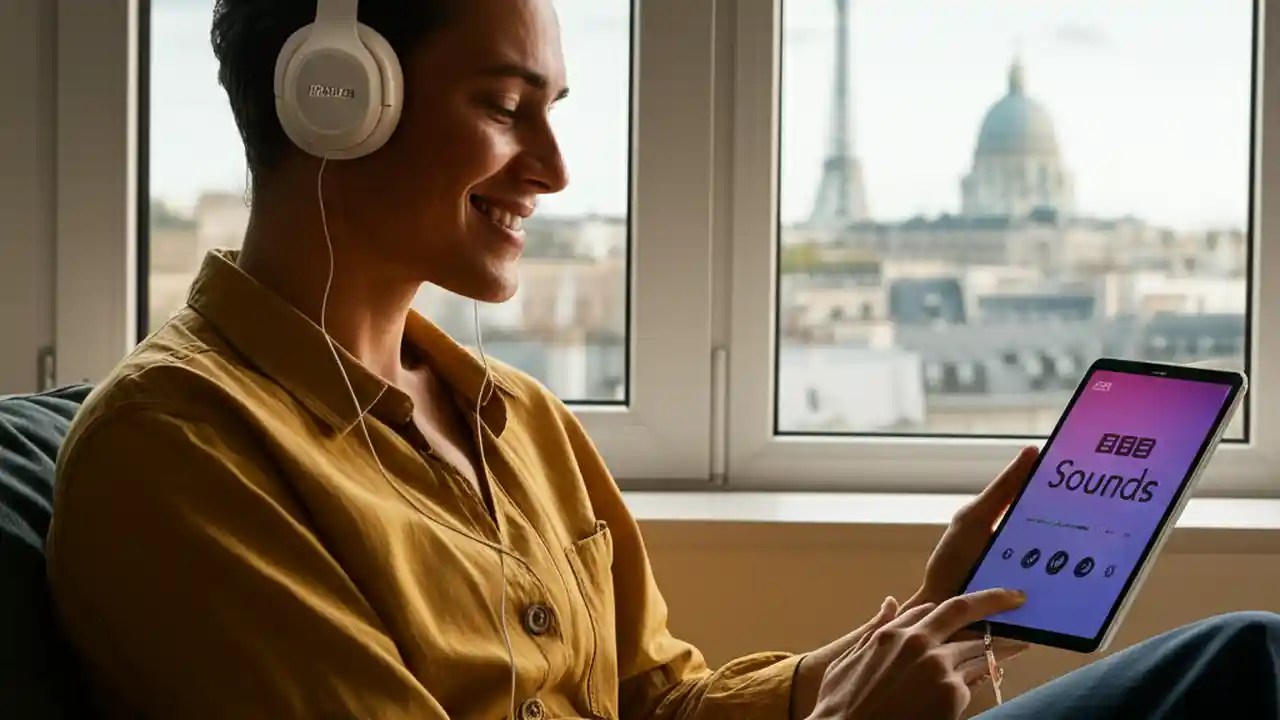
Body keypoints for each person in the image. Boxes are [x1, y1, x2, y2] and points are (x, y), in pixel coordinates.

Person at [47, 0, 1279, 718]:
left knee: (1243, 662)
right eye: (503, 104)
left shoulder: (513, 416)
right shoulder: (178, 456)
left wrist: (912, 634)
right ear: (334, 97)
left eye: (555, 111)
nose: (553, 169)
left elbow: (663, 705)